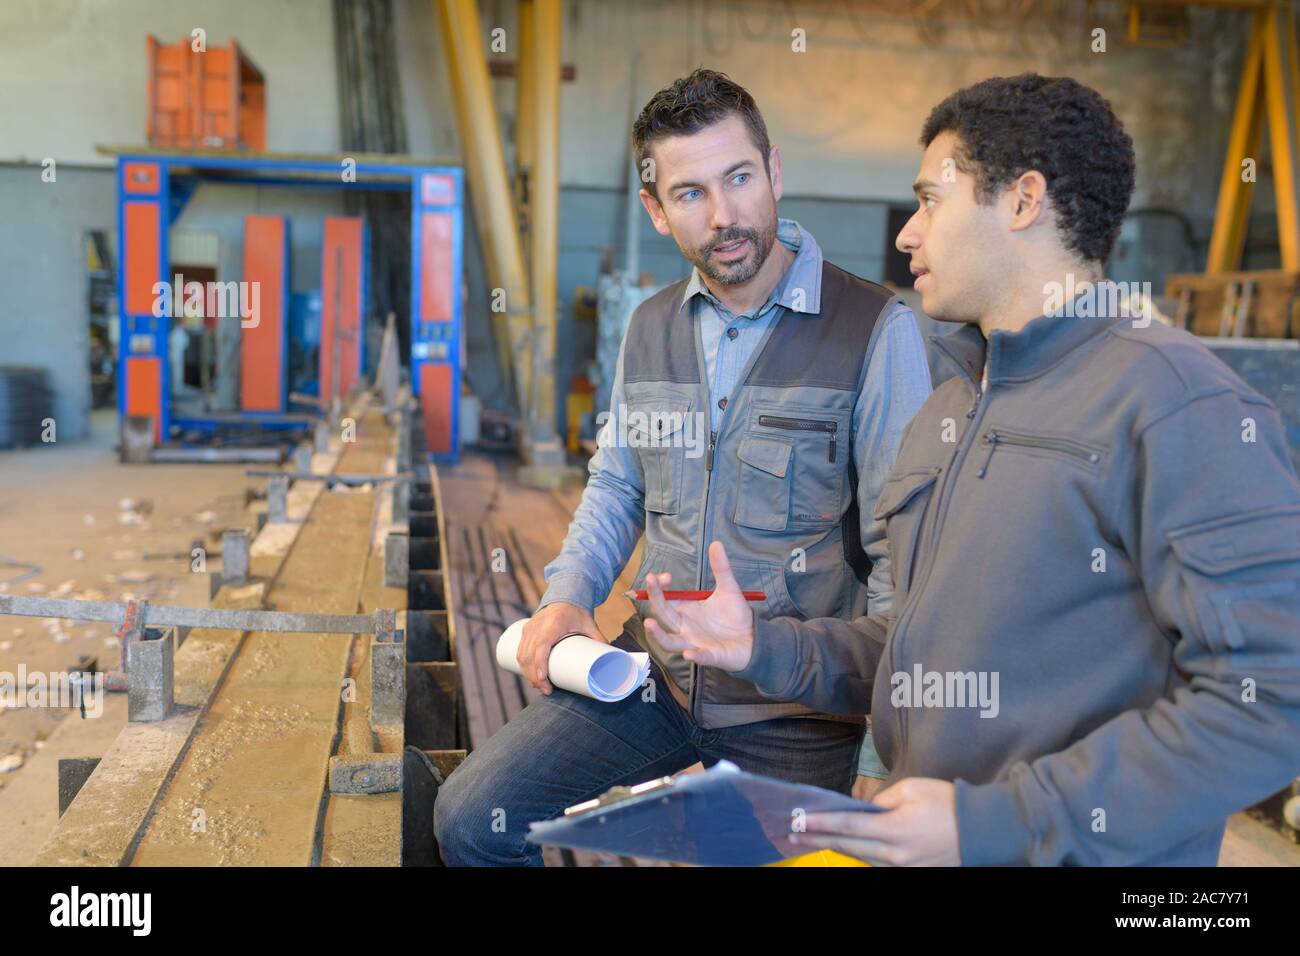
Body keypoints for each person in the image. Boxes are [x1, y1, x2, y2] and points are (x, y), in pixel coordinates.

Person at [645, 73, 1300, 865]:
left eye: (931, 201)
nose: (907, 235)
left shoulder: (1174, 403)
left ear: (1023, 202)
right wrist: (760, 649)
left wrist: (993, 823)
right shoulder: (953, 409)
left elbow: (1270, 702)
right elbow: (914, 652)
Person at [434, 68, 932, 865]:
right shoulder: (650, 327)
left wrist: (882, 755)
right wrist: (568, 599)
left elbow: (906, 565)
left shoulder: (875, 331)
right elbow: (619, 485)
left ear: (774, 171)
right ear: (657, 212)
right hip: (656, 679)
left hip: (796, 710)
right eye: (691, 192)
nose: (725, 215)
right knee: (471, 818)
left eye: (738, 178)